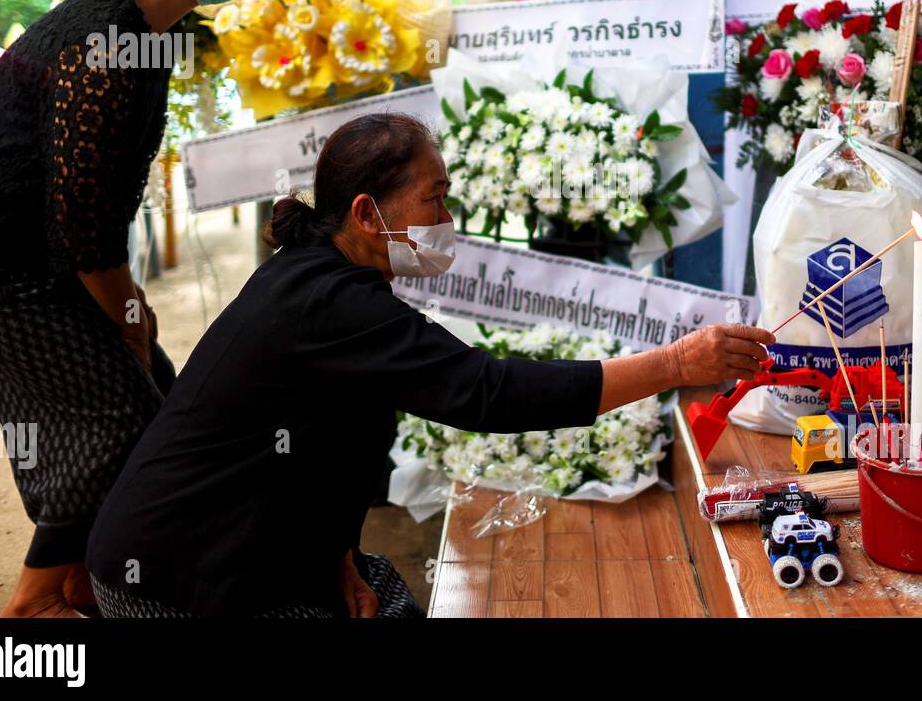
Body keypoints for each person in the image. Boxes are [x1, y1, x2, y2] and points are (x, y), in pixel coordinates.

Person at [85, 112, 775, 618]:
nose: (448, 215)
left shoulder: (327, 283)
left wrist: (341, 561)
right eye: (435, 197)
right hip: (176, 579)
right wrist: (677, 361)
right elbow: (487, 392)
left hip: (246, 550)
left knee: (385, 598)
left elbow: (334, 452)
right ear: (365, 211)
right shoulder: (329, 300)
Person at [0, 0, 250, 617]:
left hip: (34, 250)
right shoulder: (105, 39)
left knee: (152, 400)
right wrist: (128, 310)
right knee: (115, 417)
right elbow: (82, 222)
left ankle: (83, 580)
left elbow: (95, 203)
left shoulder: (150, 31)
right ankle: (36, 605)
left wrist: (130, 314)